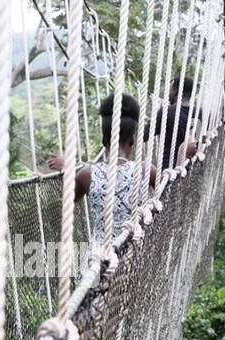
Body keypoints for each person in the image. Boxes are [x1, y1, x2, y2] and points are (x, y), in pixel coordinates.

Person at [48, 93, 158, 248]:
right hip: (137, 254)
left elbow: (64, 204)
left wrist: (69, 171)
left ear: (103, 141)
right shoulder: (146, 170)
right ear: (133, 140)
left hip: (99, 260)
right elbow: (170, 197)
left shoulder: (88, 174)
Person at [147, 75, 201, 170]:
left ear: (176, 90)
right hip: (191, 168)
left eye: (170, 89)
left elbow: (145, 134)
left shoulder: (167, 112)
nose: (168, 93)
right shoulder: (199, 113)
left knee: (145, 167)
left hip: (169, 172)